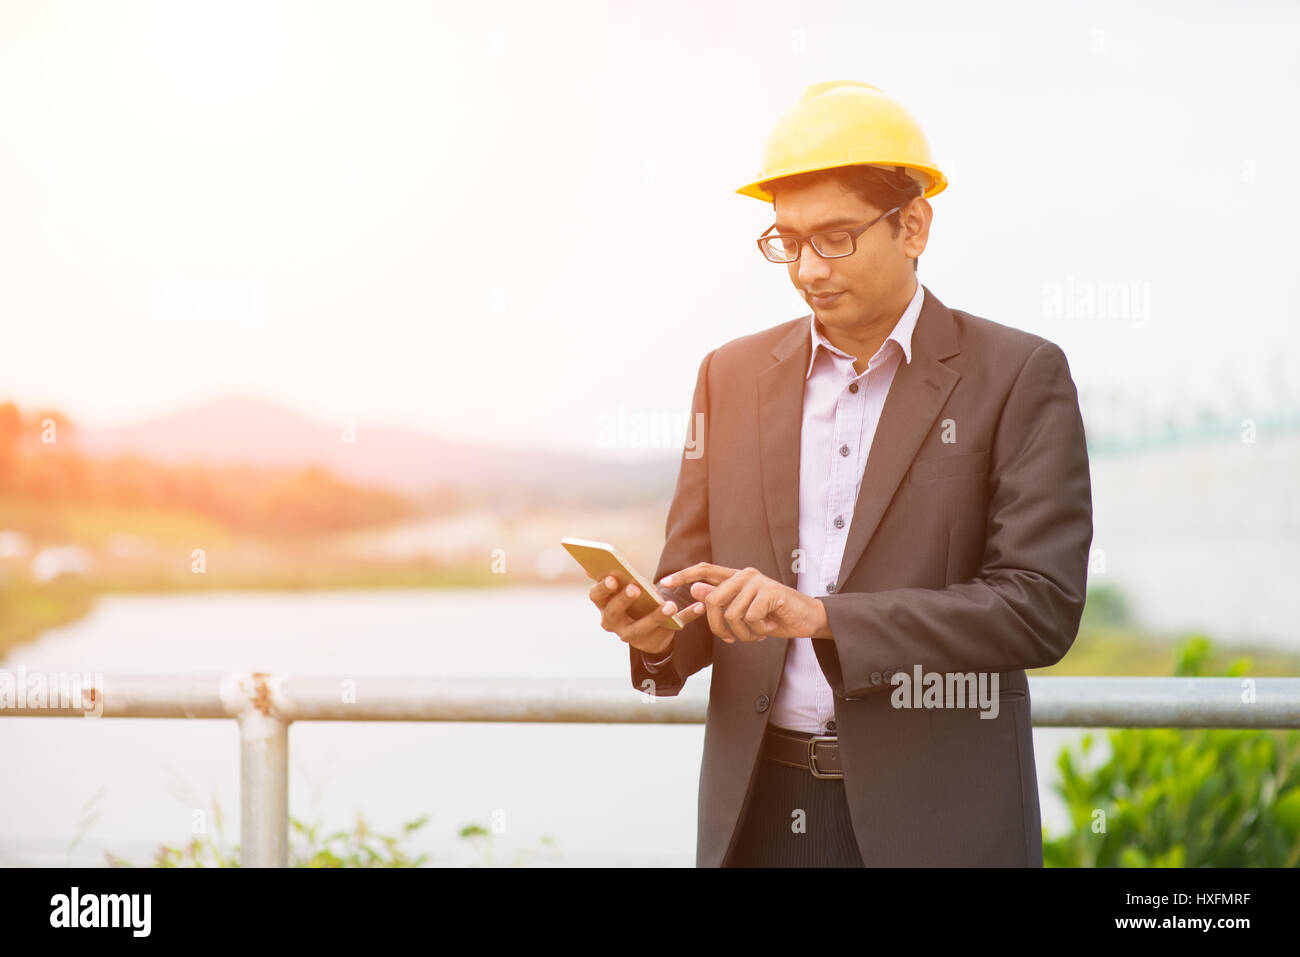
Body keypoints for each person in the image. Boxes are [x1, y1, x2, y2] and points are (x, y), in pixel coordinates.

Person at [589, 80, 1093, 867]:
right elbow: (690, 585)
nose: (805, 269)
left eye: (834, 238)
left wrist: (822, 616)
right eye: (786, 240)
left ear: (914, 224)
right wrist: (659, 630)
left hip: (942, 823)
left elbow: (1039, 608)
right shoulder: (729, 375)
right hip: (758, 814)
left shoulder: (1018, 374)